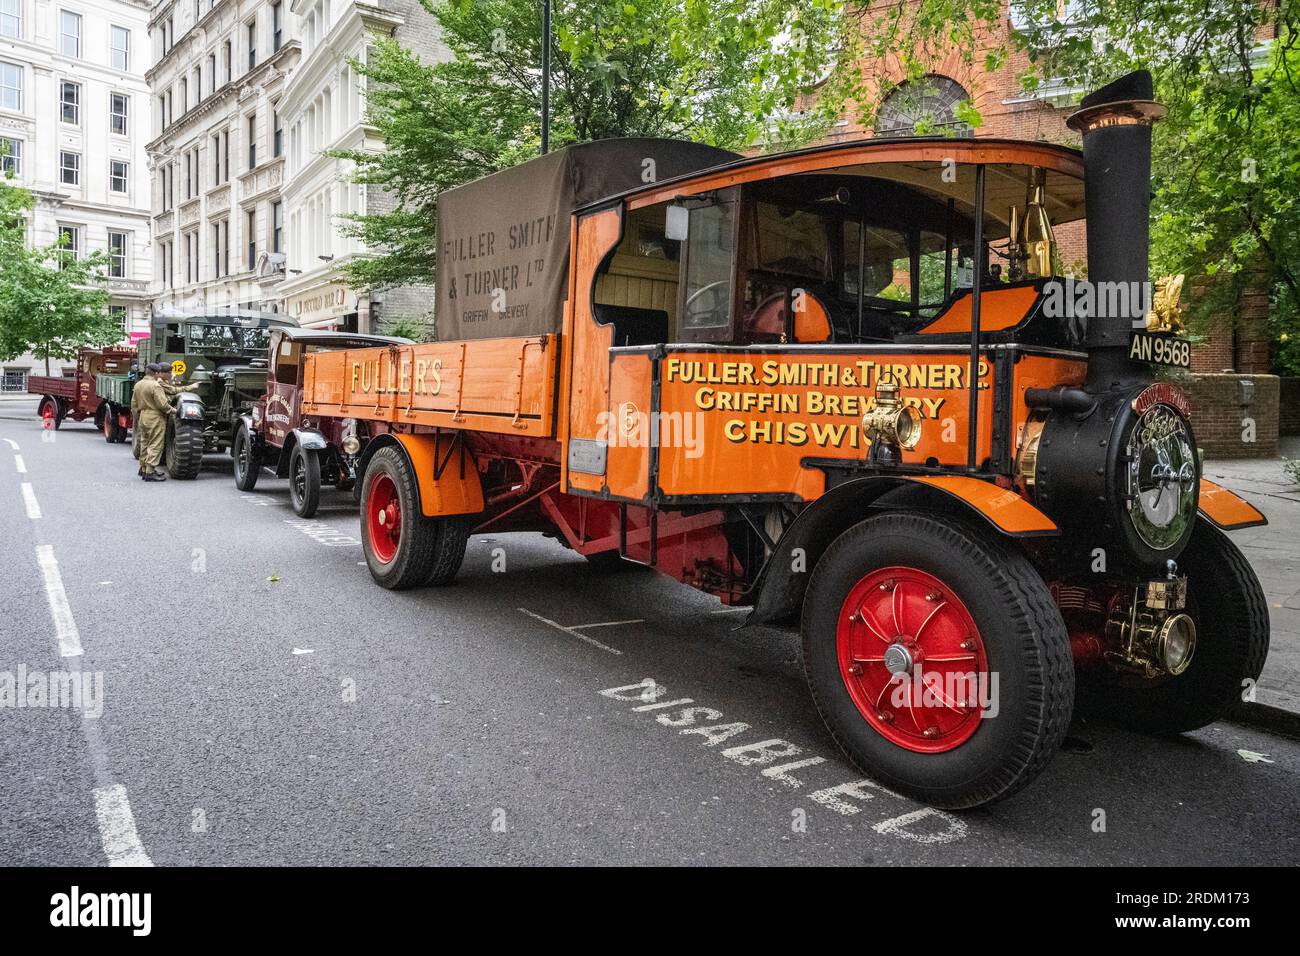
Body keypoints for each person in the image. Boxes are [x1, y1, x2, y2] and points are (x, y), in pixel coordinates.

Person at [135, 364, 174, 482]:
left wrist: (137, 416)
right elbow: (162, 404)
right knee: (155, 444)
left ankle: (143, 468)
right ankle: (150, 472)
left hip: (143, 415)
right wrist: (174, 411)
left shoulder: (138, 384)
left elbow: (134, 403)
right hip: (155, 416)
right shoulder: (155, 385)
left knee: (144, 443)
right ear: (156, 373)